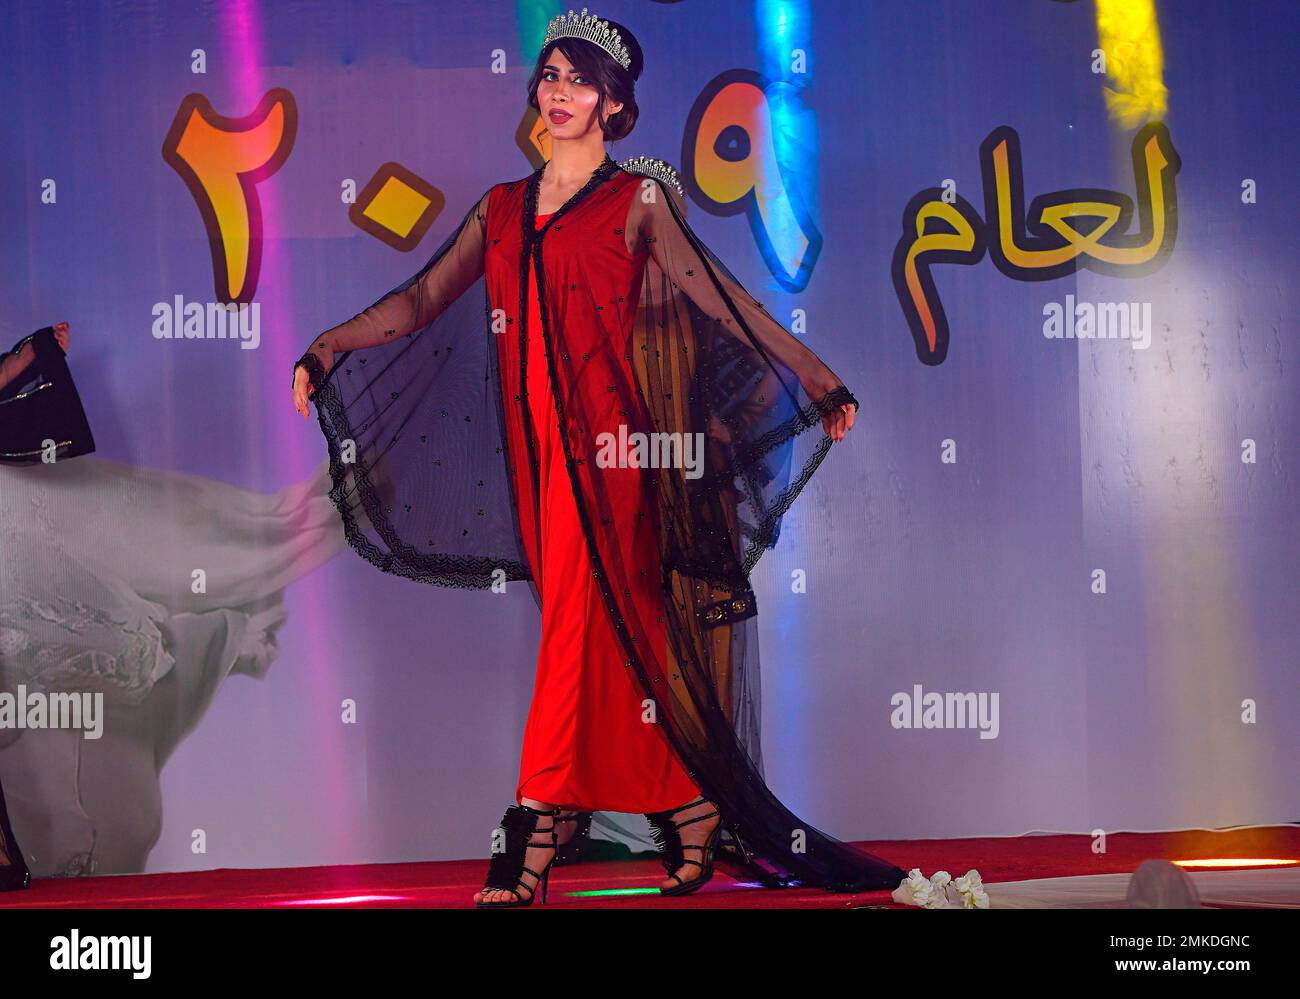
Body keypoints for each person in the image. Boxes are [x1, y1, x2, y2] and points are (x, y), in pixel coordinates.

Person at [293, 7, 906, 906]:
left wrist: (817, 378)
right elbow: (420, 300)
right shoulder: (502, 208)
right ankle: (690, 806)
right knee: (620, 644)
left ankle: (531, 834)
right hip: (541, 462)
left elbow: (721, 297)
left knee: (576, 634)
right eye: (551, 76)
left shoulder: (636, 203)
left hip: (614, 460)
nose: (561, 92)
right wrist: (328, 346)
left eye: (581, 81)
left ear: (615, 107)